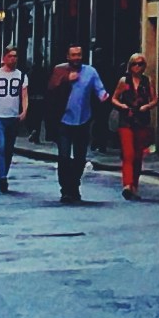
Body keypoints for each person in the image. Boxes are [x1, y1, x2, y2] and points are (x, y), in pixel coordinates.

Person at [52, 44, 107, 204]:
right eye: (73, 55)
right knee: (63, 156)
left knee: (80, 158)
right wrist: (65, 80)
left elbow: (99, 88)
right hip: (64, 120)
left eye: (79, 54)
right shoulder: (59, 70)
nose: (76, 58)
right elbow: (51, 88)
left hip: (83, 120)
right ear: (68, 57)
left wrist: (103, 96)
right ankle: (65, 190)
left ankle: (74, 186)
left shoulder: (90, 72)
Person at [0, 47, 29, 191]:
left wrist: (24, 111)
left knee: (9, 149)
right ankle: (1, 177)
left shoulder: (21, 75)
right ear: (4, 58)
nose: (13, 59)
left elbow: (24, 95)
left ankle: (5, 172)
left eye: (15, 56)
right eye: (10, 56)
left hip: (13, 117)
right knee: (1, 147)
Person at [113, 50, 154, 198]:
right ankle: (127, 184)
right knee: (128, 154)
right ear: (130, 66)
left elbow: (154, 99)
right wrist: (121, 106)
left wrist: (147, 106)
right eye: (135, 64)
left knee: (137, 156)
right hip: (126, 120)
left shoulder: (147, 81)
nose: (138, 67)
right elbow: (114, 98)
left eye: (141, 64)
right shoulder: (124, 81)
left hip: (142, 121)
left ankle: (134, 186)